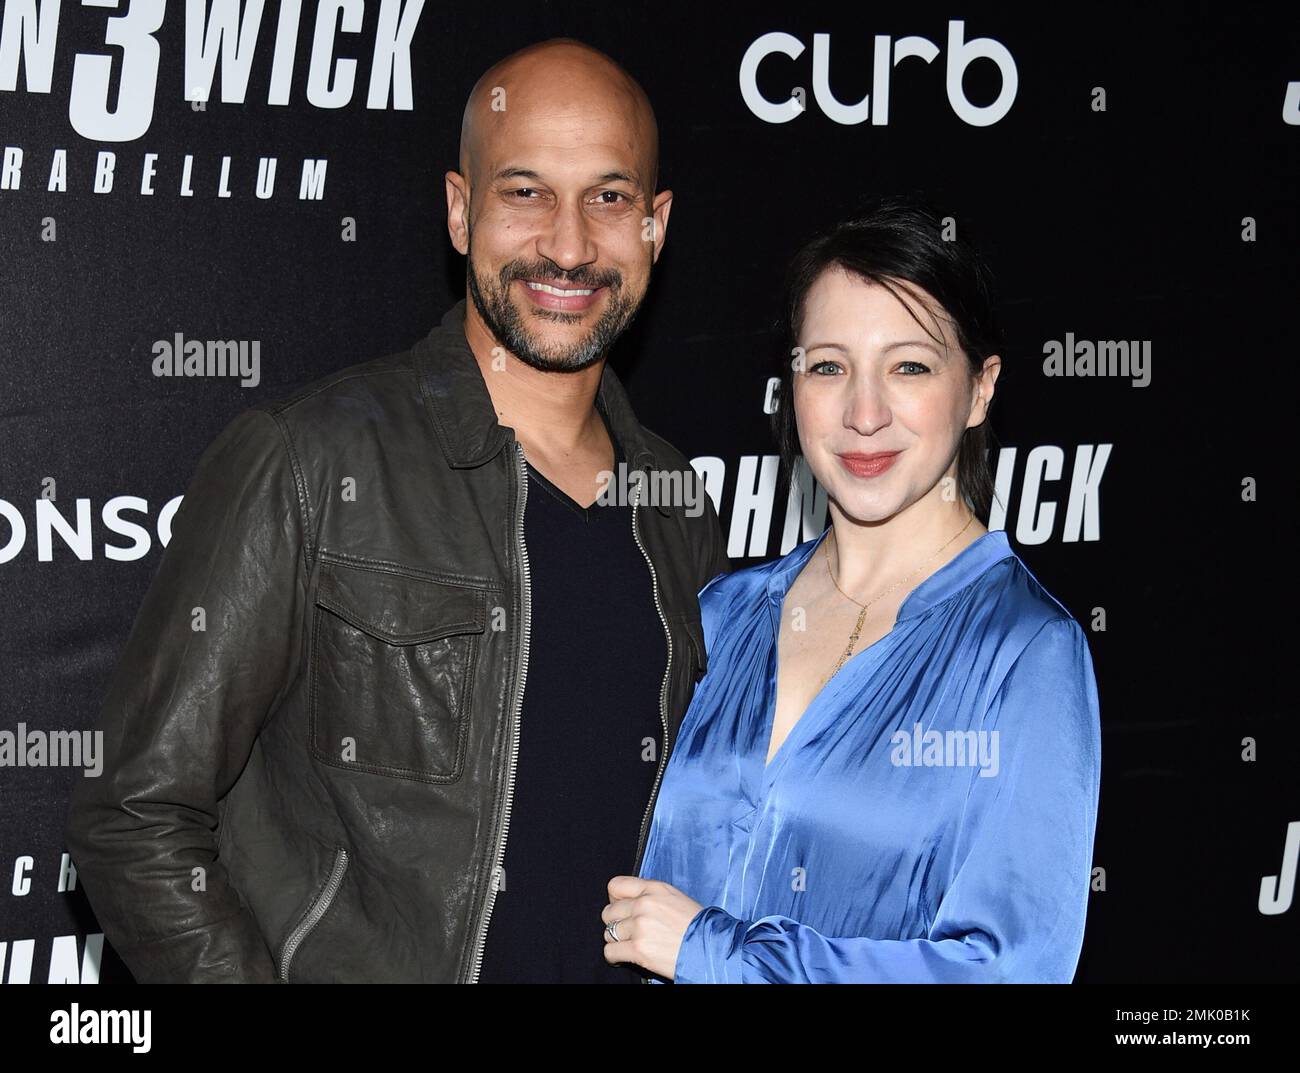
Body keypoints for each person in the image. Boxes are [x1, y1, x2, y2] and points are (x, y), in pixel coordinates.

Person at [65, 37, 727, 984]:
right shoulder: (308, 457)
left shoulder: (676, 506)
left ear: (656, 225)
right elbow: (134, 812)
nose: (571, 244)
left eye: (609, 197)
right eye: (526, 190)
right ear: (461, 212)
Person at [601, 194, 1101, 983]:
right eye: (829, 365)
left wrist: (716, 953)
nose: (864, 413)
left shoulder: (1026, 651)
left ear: (980, 389)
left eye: (909, 366)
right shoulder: (724, 613)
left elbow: (1011, 969)